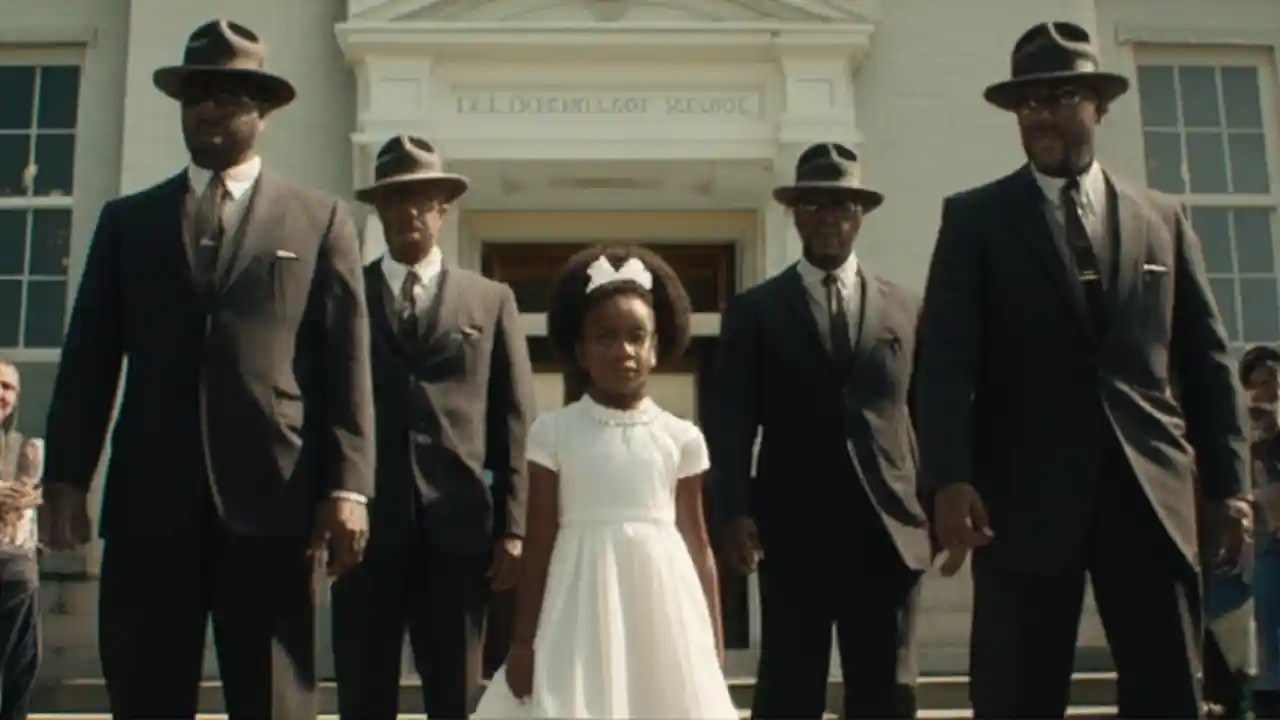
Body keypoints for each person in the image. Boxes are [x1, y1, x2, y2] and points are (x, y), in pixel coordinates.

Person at [913, 20, 1251, 718]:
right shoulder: (976, 220)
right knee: (1016, 695)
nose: (1039, 113)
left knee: (1167, 693)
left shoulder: (1163, 218)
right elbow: (945, 363)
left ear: (1099, 105)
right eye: (1026, 101)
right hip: (1022, 500)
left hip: (1150, 497)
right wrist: (949, 479)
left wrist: (1230, 488)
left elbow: (1207, 360)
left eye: (1060, 96)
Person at [39, 19, 375, 719]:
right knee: (145, 692)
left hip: (273, 501)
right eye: (196, 95)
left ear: (263, 110)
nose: (209, 109)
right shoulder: (127, 223)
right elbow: (90, 356)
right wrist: (67, 476)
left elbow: (346, 364)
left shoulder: (318, 221)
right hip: (148, 503)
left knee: (274, 699)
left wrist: (348, 488)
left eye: (227, 95)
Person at [708, 142, 929, 719]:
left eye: (843, 206)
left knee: (884, 693)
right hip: (793, 533)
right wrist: (731, 513)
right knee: (789, 689)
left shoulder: (906, 309)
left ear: (861, 216)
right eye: (814, 205)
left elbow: (926, 413)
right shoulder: (755, 311)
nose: (829, 218)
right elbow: (730, 421)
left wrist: (936, 503)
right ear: (795, 213)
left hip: (887, 533)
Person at [473, 245, 737, 720]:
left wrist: (711, 642)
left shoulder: (681, 438)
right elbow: (539, 543)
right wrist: (522, 641)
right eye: (606, 337)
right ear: (581, 351)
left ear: (656, 347)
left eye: (637, 337)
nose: (624, 351)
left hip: (661, 604)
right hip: (579, 602)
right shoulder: (554, 433)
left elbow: (698, 546)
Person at [333, 134, 535, 719]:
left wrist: (514, 527)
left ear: (444, 209)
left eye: (422, 199)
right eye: (395, 200)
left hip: (458, 530)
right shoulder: (346, 295)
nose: (408, 212)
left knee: (456, 693)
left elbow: (514, 419)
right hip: (365, 529)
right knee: (363, 691)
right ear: (378, 208)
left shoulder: (490, 300)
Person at [0, 360, 42, 720]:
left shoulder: (23, 447)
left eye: (8, 387)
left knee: (20, 667)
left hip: (15, 571)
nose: (2, 394)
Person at [1245, 345, 1280, 717]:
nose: (1268, 393)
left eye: (1272, 382)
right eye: (1259, 384)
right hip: (1264, 546)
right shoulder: (1246, 436)